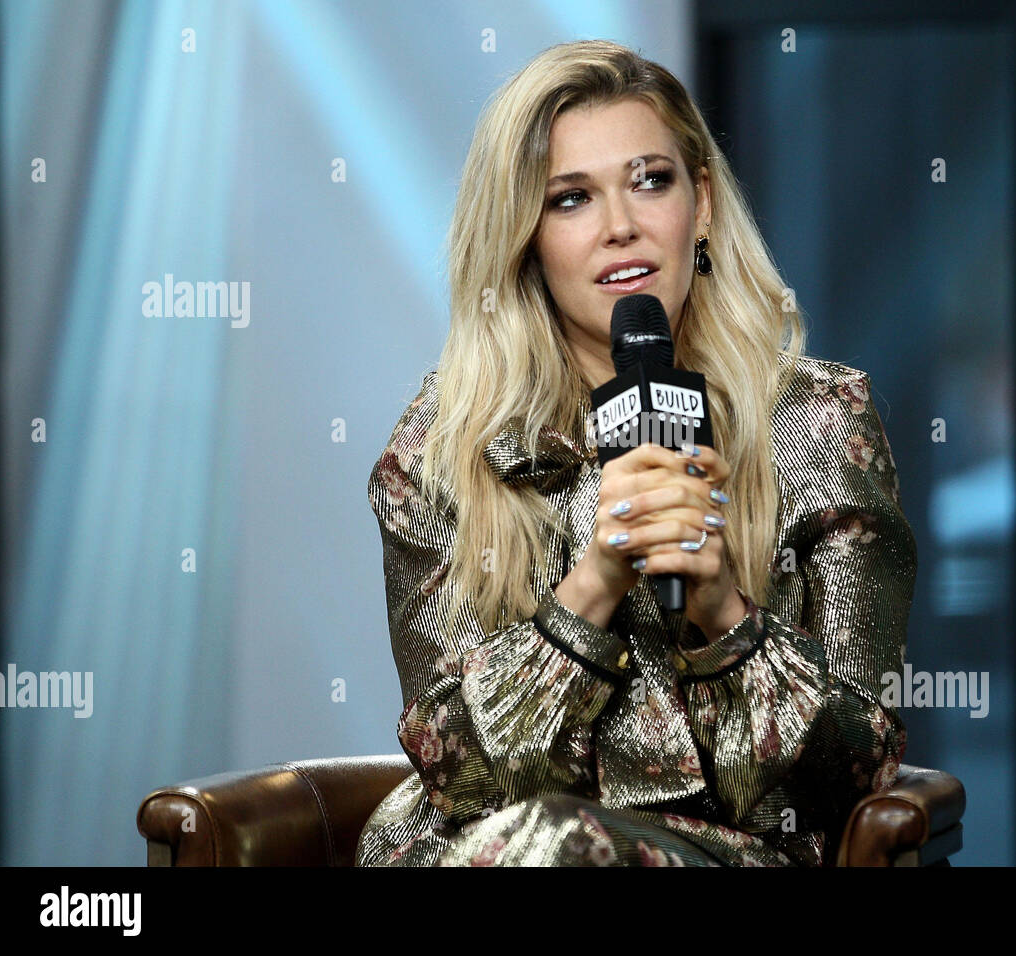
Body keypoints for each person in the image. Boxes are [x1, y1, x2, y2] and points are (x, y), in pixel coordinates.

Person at [355, 39, 916, 867]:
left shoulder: (818, 424)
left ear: (705, 204)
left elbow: (850, 779)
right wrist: (596, 583)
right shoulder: (445, 449)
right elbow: (460, 774)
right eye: (571, 199)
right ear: (524, 238)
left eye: (651, 180)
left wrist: (722, 609)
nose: (621, 226)